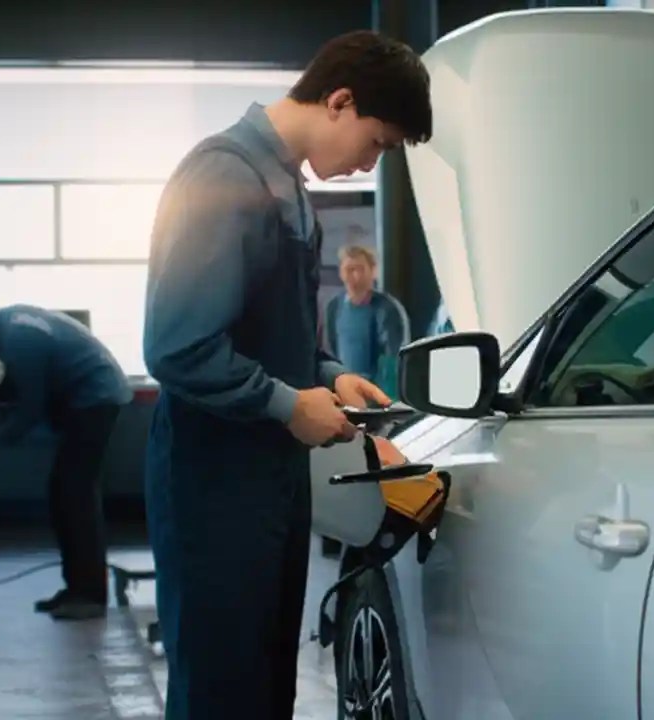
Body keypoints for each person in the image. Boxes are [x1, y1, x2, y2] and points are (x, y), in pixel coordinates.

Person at [142, 30, 432, 720]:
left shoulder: (286, 189)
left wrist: (329, 378)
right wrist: (284, 403)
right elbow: (178, 348)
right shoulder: (224, 175)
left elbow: (274, 336)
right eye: (378, 143)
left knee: (266, 678)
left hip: (261, 480)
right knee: (222, 685)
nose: (370, 162)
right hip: (211, 485)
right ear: (339, 101)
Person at [0, 275, 132, 621]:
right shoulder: (10, 326)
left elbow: (29, 409)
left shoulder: (17, 339)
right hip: (87, 397)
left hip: (94, 399)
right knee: (64, 494)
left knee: (75, 495)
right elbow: (12, 389)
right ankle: (77, 588)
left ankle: (89, 595)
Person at [322, 242, 409, 399]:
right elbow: (331, 350)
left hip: (377, 394)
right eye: (349, 269)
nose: (354, 276)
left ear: (373, 271)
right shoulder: (334, 307)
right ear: (341, 273)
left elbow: (393, 361)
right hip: (346, 392)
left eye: (360, 269)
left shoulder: (387, 309)